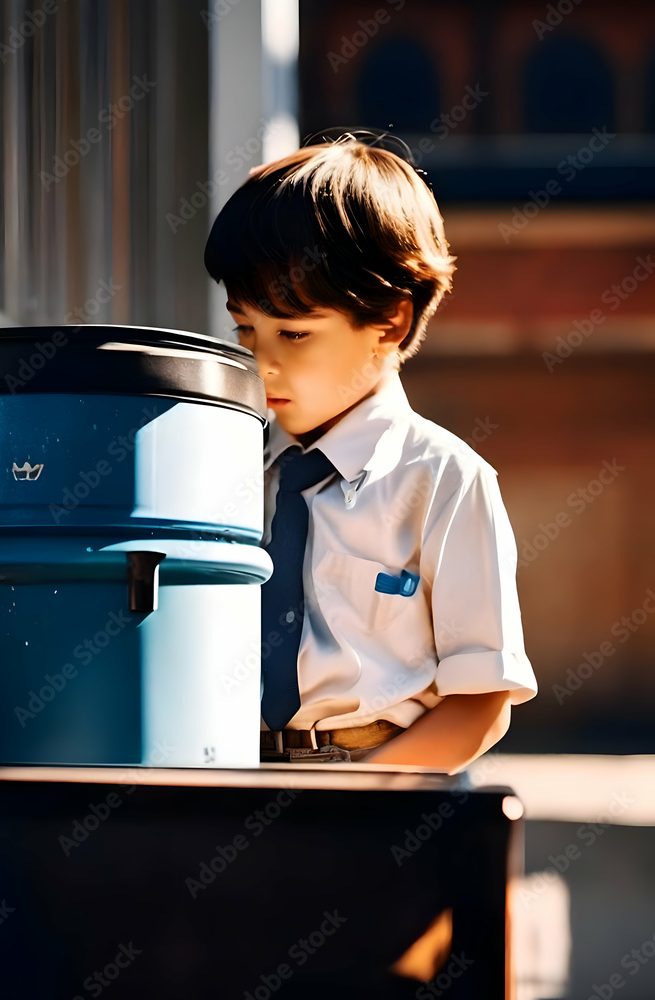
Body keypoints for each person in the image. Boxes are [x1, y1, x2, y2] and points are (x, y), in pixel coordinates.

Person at [204, 131, 538, 775]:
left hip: (386, 800)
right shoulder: (226, 470)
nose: (260, 361)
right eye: (246, 328)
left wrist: (352, 802)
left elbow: (484, 700)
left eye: (294, 333)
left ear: (391, 322)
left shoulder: (445, 479)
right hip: (232, 788)